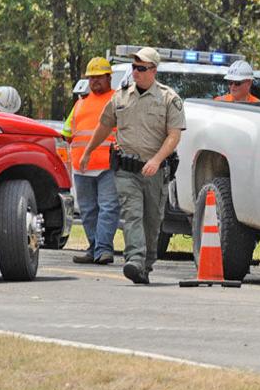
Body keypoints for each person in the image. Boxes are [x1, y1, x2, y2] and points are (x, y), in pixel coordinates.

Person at [80, 47, 185, 285]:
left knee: (151, 221)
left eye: (141, 68)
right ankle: (135, 259)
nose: (135, 72)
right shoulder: (121, 96)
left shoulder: (169, 99)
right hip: (126, 170)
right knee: (132, 214)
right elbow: (104, 126)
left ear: (153, 71)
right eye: (134, 67)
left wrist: (157, 160)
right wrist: (88, 151)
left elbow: (174, 136)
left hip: (155, 171)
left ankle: (145, 264)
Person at [67, 57, 120, 266]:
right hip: (82, 166)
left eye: (99, 77)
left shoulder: (117, 100)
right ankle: (94, 248)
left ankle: (103, 249)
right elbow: (67, 132)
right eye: (91, 78)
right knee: (88, 211)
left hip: (107, 165)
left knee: (108, 208)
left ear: (109, 78)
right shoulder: (80, 103)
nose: (94, 81)